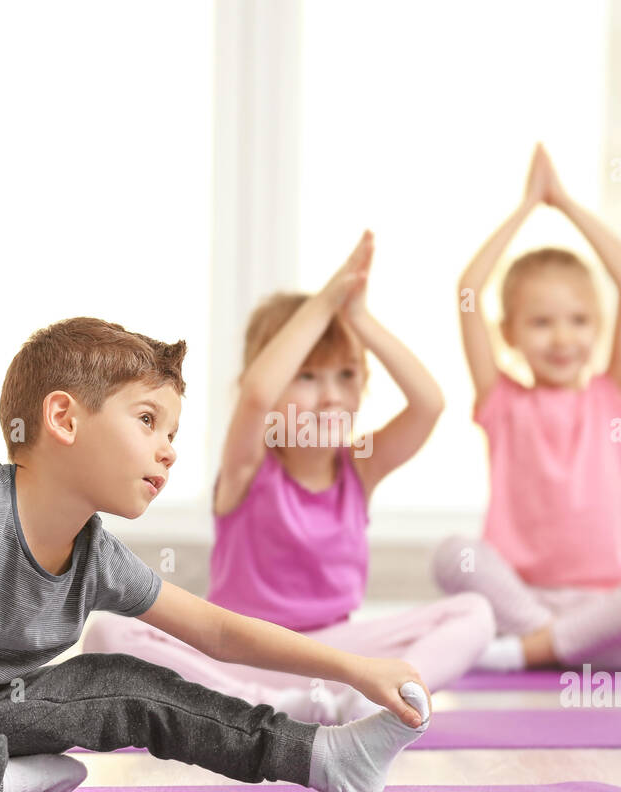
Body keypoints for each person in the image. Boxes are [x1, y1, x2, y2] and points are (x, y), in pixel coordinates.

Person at [0, 310, 432, 792]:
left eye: (172, 434)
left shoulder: (97, 556)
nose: (167, 451)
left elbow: (219, 634)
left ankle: (323, 759)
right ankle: (9, 777)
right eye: (148, 421)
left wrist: (355, 669)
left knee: (122, 681)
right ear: (62, 417)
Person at [84, 231, 493, 722]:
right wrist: (327, 299)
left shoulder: (359, 467)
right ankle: (270, 706)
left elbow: (429, 403)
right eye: (307, 376)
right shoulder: (247, 466)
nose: (331, 396)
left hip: (331, 657)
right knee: (109, 633)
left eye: (345, 376)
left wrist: (358, 316)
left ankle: (366, 701)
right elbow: (257, 394)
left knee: (475, 613)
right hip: (240, 651)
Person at [432, 143, 621, 672]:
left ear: (598, 328)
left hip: (602, 600)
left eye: (578, 320)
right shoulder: (501, 401)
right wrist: (527, 208)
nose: (562, 338)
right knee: (453, 554)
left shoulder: (611, 397)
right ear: (509, 333)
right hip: (519, 597)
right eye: (540, 322)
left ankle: (531, 651)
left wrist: (566, 204)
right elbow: (468, 290)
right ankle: (558, 644)